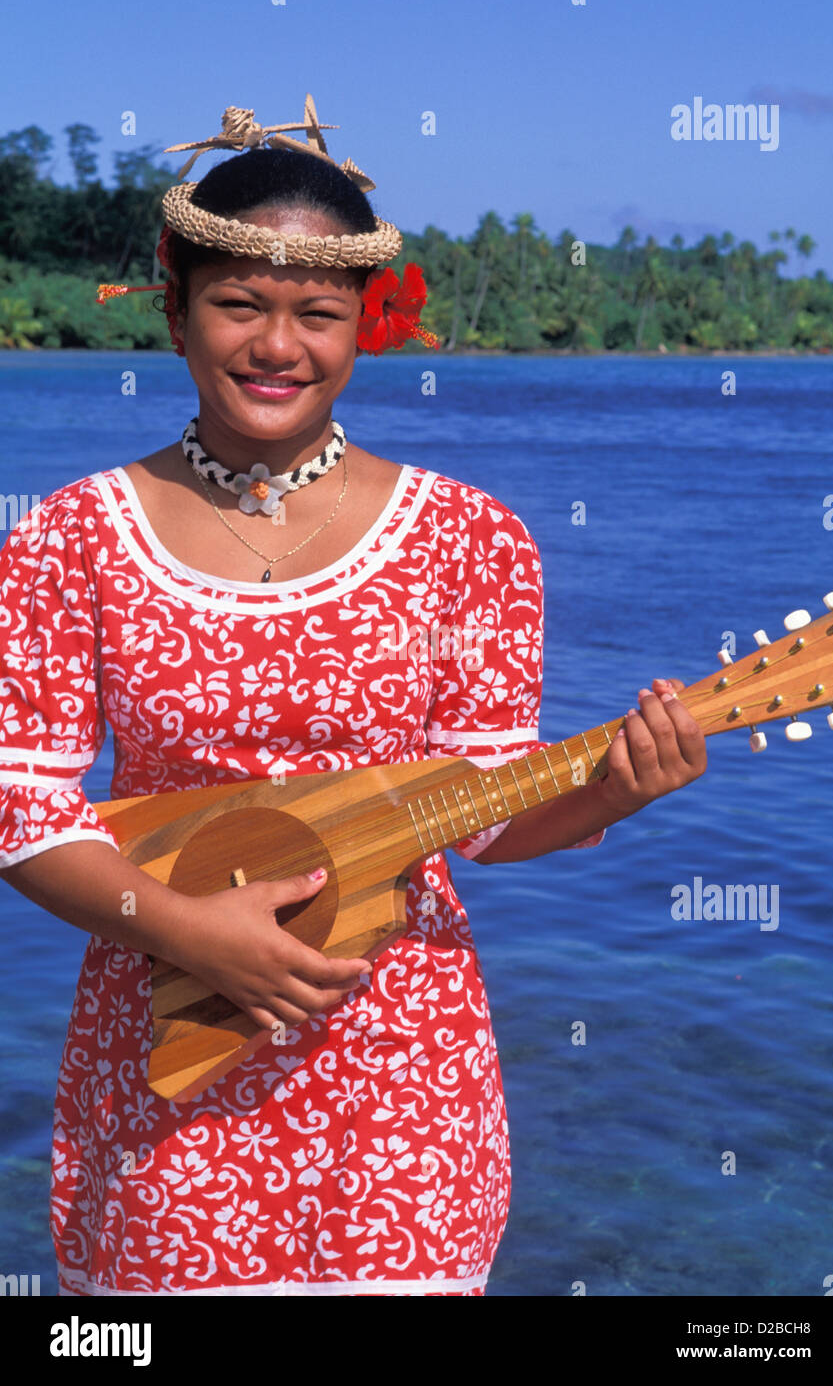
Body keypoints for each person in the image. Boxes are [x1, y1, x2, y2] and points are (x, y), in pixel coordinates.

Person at [0, 97, 706, 1296]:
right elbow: (19, 803)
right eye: (239, 303)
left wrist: (615, 797)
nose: (278, 344)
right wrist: (182, 927)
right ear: (175, 312)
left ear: (363, 327)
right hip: (168, 1056)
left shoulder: (469, 540)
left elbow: (480, 815)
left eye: (318, 314)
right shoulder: (72, 537)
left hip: (401, 1082)